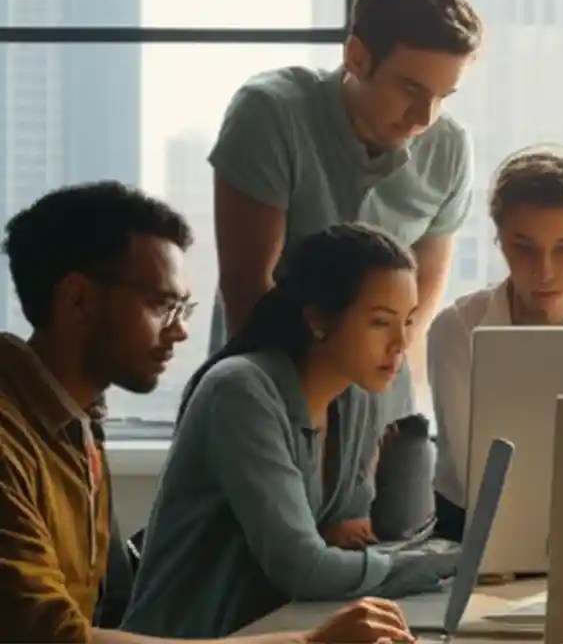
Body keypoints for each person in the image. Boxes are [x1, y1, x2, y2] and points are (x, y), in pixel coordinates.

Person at [0, 183, 412, 643]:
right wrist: (306, 643)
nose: (179, 332)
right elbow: (55, 638)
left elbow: (105, 609)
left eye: (184, 308)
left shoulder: (74, 422)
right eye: (162, 306)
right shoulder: (11, 438)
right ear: (78, 300)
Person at [209, 0, 483, 539]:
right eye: (411, 88)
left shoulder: (449, 148)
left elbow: (422, 296)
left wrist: (372, 408)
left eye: (442, 96)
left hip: (382, 395)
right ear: (356, 56)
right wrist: (295, 431)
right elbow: (247, 291)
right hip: (276, 383)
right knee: (289, 569)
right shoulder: (271, 113)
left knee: (405, 566)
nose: (424, 117)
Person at [123, 223, 456, 638]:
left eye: (407, 321)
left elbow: (347, 537)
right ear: (318, 319)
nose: (400, 343)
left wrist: (342, 552)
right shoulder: (242, 391)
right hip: (197, 635)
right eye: (379, 323)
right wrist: (440, 564)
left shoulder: (357, 394)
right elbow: (304, 568)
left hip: (286, 627)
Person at [428, 145, 563, 540]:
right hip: (475, 518)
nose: (544, 272)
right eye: (523, 247)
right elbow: (470, 467)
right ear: (499, 240)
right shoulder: (457, 329)